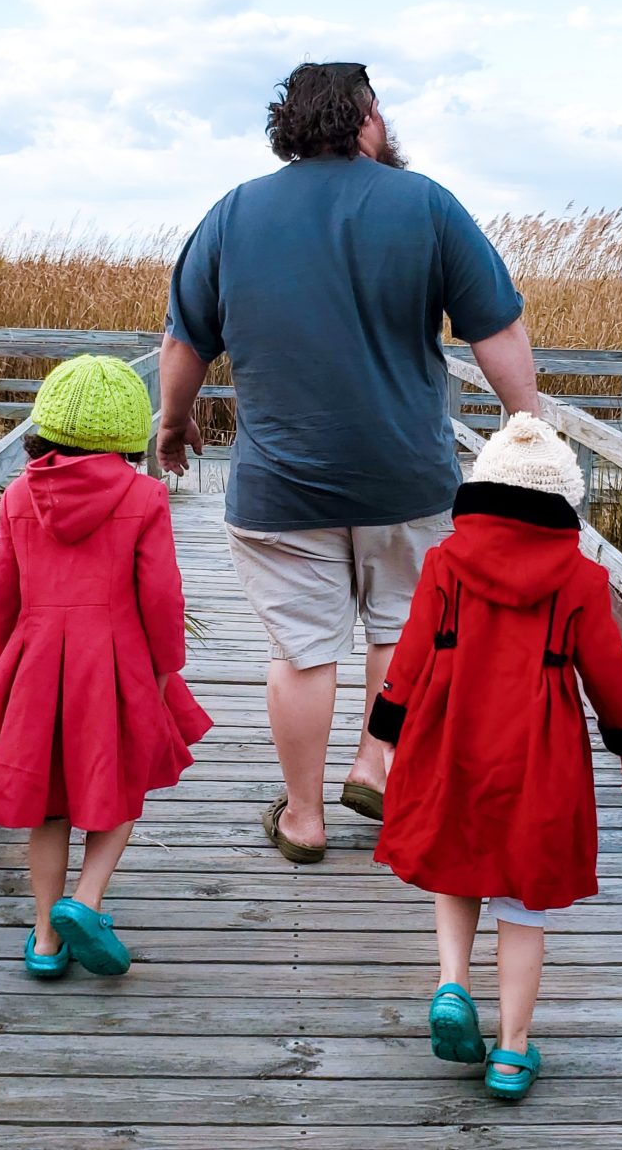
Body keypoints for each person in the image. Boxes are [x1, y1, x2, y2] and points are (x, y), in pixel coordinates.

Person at [157, 61, 541, 861]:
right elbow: (494, 329)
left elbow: (186, 339)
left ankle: (303, 818)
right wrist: (527, 424)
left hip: (280, 484)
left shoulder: (234, 213)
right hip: (407, 476)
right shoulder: (427, 204)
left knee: (300, 653)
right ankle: (379, 760)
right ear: (367, 114)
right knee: (402, 631)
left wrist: (173, 421)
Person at [367, 413, 622, 1100]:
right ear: (563, 502)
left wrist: (385, 730)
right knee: (524, 902)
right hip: (539, 751)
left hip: (451, 736)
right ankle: (511, 1050)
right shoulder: (581, 578)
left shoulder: (445, 561)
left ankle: (451, 983)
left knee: (456, 859)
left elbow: (409, 654)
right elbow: (609, 675)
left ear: (486, 488)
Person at [0, 355, 212, 978]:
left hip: (35, 656)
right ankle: (86, 900)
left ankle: (46, 938)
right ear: (125, 432)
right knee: (118, 784)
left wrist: (2, 669)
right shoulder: (143, 494)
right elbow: (160, 594)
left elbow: (5, 590)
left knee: (49, 804)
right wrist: (165, 666)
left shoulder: (18, 494)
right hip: (116, 658)